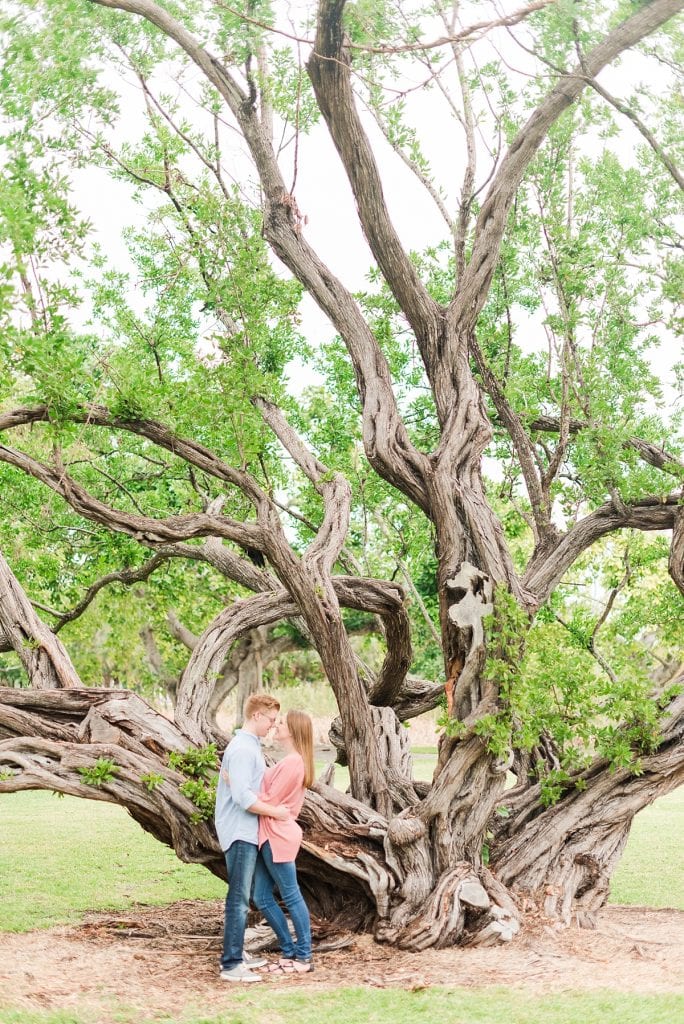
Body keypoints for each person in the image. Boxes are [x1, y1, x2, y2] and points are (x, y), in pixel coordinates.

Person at [214, 693, 289, 983]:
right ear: (256, 716)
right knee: (239, 898)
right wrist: (277, 813)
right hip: (240, 831)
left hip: (245, 830)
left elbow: (242, 784)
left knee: (242, 896)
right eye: (270, 720)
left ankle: (238, 953)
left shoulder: (246, 747)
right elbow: (244, 798)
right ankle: (231, 964)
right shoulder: (244, 749)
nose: (272, 725)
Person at [253, 709, 315, 974]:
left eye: (282, 723)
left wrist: (241, 789)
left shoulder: (294, 763)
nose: (276, 725)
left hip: (278, 835)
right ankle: (289, 951)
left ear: (294, 729)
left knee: (290, 894)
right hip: (268, 833)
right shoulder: (290, 760)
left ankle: (303, 957)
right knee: (262, 895)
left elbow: (269, 801)